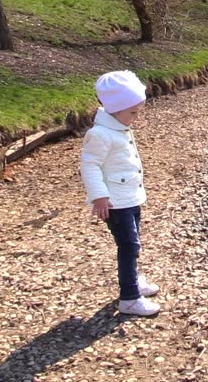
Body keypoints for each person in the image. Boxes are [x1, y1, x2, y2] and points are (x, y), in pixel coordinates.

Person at [81, 71, 160, 317]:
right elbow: (89, 164)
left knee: (132, 242)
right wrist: (99, 196)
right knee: (128, 245)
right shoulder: (100, 134)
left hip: (129, 197)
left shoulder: (118, 127)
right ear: (115, 108)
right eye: (133, 113)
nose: (136, 118)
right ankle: (129, 298)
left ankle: (133, 280)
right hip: (115, 202)